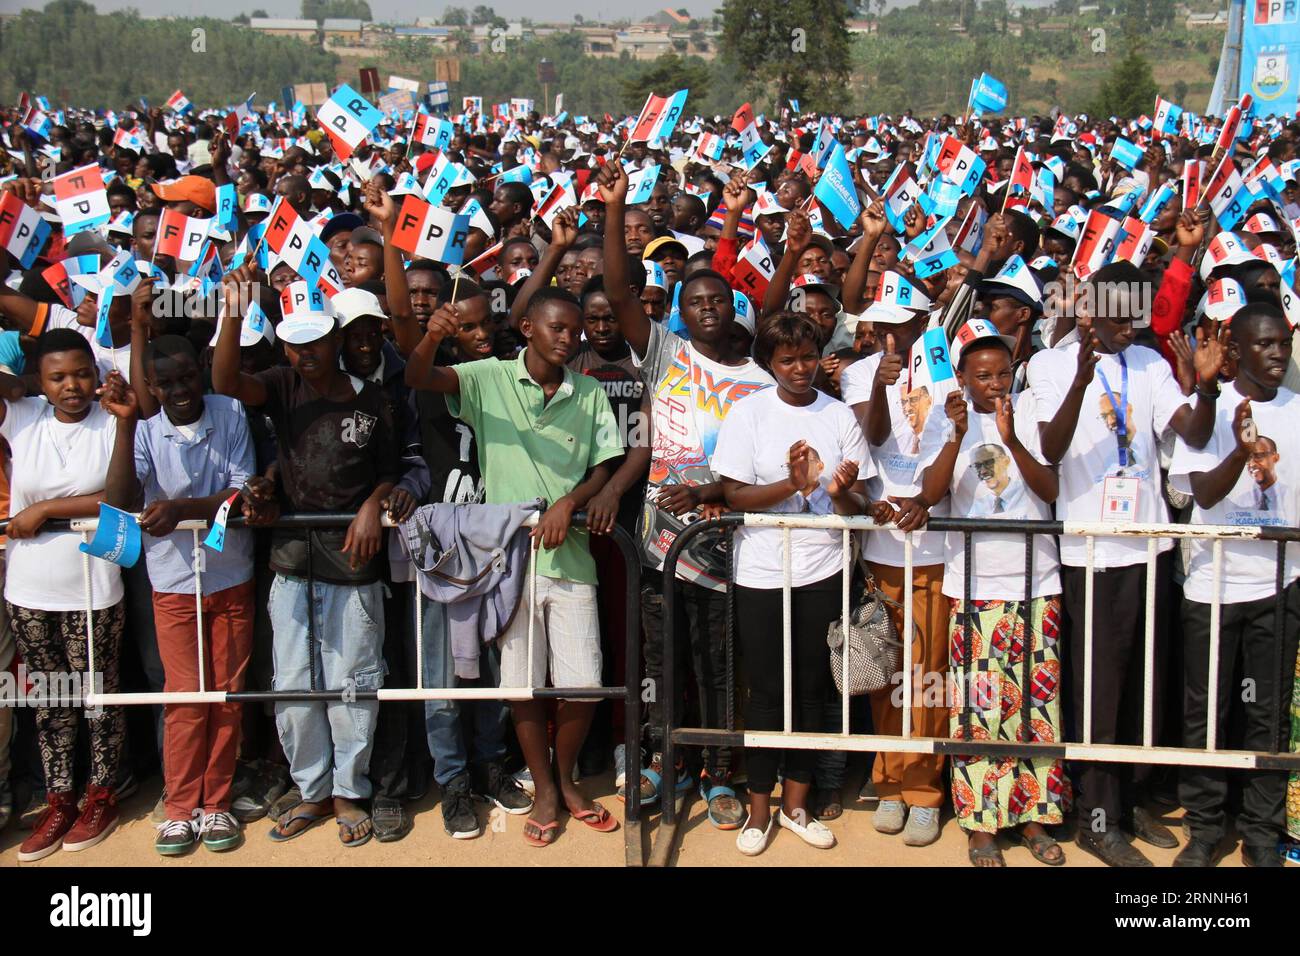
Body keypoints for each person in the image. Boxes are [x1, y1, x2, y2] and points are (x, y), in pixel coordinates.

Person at [404, 287, 624, 847]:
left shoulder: (591, 391)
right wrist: (432, 335)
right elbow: (418, 378)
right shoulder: (487, 376)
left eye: (576, 331)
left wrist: (569, 503)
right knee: (522, 686)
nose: (570, 338)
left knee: (584, 684)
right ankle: (547, 789)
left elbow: (604, 465)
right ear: (527, 328)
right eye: (558, 328)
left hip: (571, 558)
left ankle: (569, 778)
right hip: (506, 564)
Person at [1031, 261, 1226, 867]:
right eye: (1120, 315)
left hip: (1150, 546)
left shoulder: (1148, 362)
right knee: (1101, 693)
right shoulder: (1049, 364)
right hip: (1092, 551)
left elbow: (1191, 433)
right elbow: (1051, 449)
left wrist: (1208, 385)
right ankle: (1097, 815)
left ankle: (1131, 798)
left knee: (1145, 685)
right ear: (1089, 308)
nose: (1133, 325)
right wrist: (1083, 379)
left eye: (1137, 313)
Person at [599, 161, 771, 830]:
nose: (707, 309)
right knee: (661, 668)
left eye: (718, 301)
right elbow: (618, 291)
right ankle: (663, 762)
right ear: (680, 311)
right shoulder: (665, 353)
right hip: (659, 548)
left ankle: (718, 773)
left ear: (733, 311)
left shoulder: (760, 381)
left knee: (722, 670)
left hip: (727, 552)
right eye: (696, 301)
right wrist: (615, 208)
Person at [212, 275, 406, 849]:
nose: (306, 354)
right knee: (293, 683)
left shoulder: (374, 400)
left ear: (335, 338)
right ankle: (312, 789)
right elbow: (223, 380)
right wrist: (232, 311)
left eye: (316, 342)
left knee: (353, 682)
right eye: (295, 345)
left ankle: (350, 790)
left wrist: (373, 504)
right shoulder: (280, 384)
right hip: (293, 558)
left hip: (353, 557)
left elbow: (392, 470)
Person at [713, 312, 874, 855]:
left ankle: (796, 806)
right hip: (760, 572)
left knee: (809, 691)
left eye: (807, 357)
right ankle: (758, 812)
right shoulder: (748, 413)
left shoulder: (839, 416)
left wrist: (844, 490)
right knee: (766, 693)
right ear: (769, 364)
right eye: (787, 360)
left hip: (822, 570)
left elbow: (857, 505)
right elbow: (734, 496)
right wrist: (793, 482)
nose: (800, 368)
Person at [99, 334, 256, 856]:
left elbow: (241, 492)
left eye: (187, 377)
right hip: (171, 585)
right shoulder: (142, 431)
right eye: (164, 383)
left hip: (230, 575)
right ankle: (179, 808)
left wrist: (183, 507)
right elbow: (120, 501)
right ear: (150, 386)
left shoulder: (231, 413)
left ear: (202, 370)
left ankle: (217, 805)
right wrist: (124, 424)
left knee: (226, 698)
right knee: (186, 699)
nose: (180, 389)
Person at [918, 321, 1066, 867]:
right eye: (983, 376)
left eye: (1003, 373)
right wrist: (958, 435)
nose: (995, 384)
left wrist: (1009, 437)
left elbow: (1050, 489)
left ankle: (1033, 815)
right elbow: (933, 495)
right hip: (975, 588)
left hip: (1036, 584)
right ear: (962, 377)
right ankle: (982, 822)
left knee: (1035, 706)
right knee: (979, 709)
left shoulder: (1029, 411)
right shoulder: (945, 417)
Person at [1168, 302, 1300, 868]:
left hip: (1281, 582)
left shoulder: (1298, 408)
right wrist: (1241, 449)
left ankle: (1262, 833)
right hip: (1214, 586)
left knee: (1267, 713)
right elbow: (1199, 492)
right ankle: (1204, 829)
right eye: (1266, 344)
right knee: (1207, 714)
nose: (1278, 354)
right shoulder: (1205, 412)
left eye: (1285, 344)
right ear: (1236, 351)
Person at [4, 330, 125, 861]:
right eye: (58, 377)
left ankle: (102, 795)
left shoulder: (113, 418)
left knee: (98, 697)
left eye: (81, 373)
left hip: (92, 585)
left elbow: (120, 496)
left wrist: (46, 510)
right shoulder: (24, 416)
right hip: (28, 586)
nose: (72, 385)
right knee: (50, 699)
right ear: (41, 382)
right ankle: (60, 801)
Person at [839, 269, 950, 848]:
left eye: (899, 328)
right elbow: (872, 439)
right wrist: (882, 385)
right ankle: (887, 782)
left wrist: (926, 498)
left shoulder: (947, 368)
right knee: (886, 671)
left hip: (935, 551)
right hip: (882, 551)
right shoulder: (860, 373)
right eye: (880, 328)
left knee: (927, 676)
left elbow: (954, 446)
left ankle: (925, 788)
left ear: (922, 323)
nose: (890, 339)